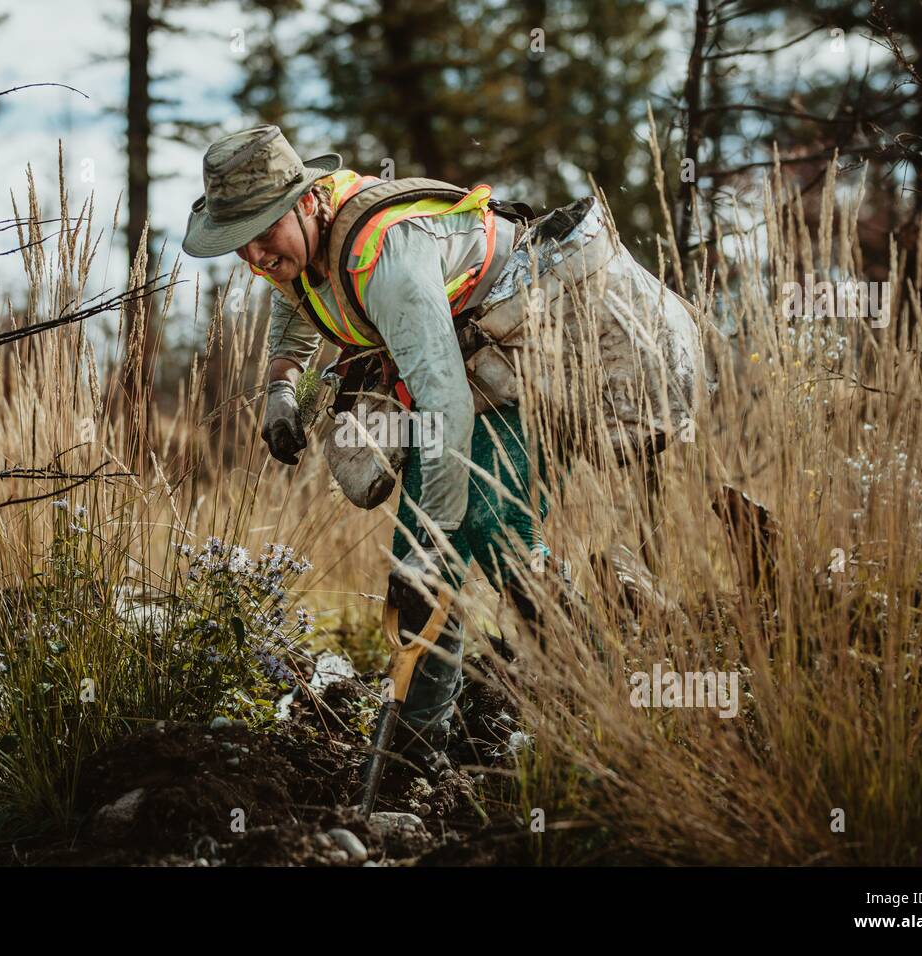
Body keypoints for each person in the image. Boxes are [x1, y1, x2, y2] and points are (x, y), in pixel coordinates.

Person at [181, 124, 702, 766]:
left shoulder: (387, 264)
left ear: (310, 201)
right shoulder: (302, 246)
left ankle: (607, 709)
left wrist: (435, 538)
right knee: (417, 568)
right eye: (241, 244)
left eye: (265, 234)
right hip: (484, 364)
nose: (257, 256)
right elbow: (297, 301)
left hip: (565, 353)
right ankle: (416, 749)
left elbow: (446, 409)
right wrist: (281, 388)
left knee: (491, 525)